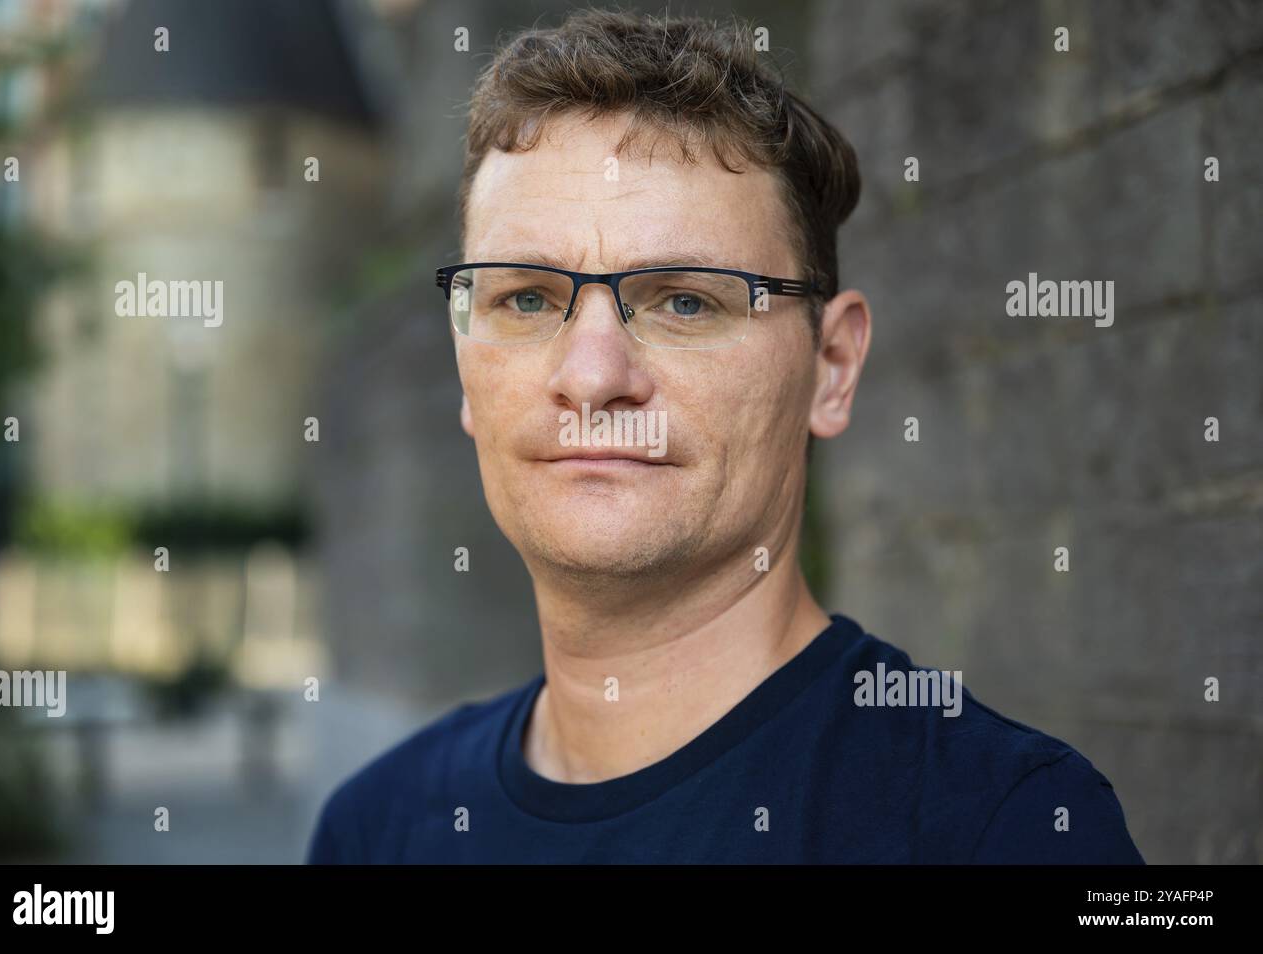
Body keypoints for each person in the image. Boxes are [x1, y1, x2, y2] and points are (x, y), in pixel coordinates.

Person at [307, 8, 1142, 864]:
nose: (593, 377)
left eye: (685, 301)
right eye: (526, 298)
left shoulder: (1004, 827)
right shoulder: (375, 828)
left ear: (833, 366)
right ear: (464, 368)